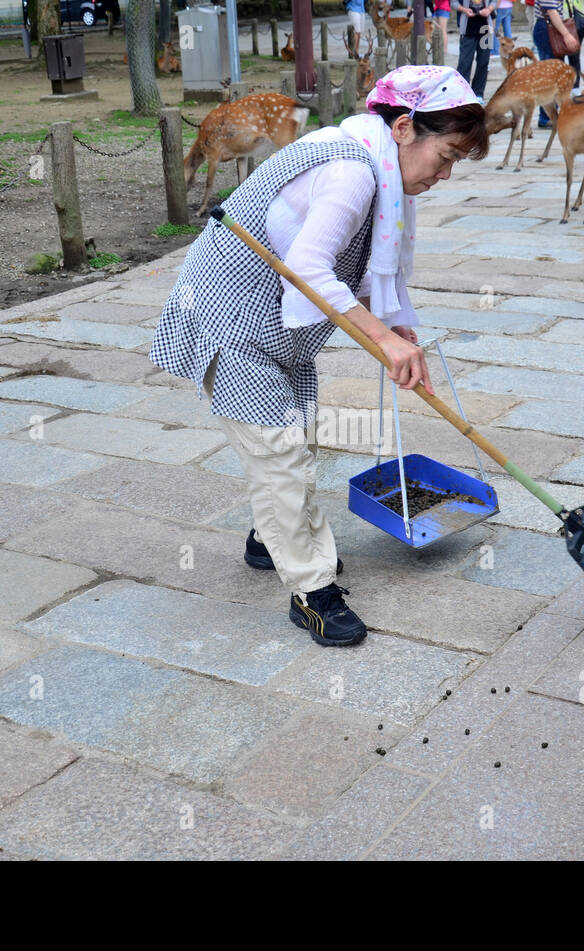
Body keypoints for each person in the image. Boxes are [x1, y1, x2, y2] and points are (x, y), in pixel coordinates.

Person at [151, 66, 489, 648]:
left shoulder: (376, 161)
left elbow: (355, 263)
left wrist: (399, 329)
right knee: (280, 452)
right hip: (230, 322)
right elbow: (310, 269)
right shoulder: (352, 171)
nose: (444, 173)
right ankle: (311, 590)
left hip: (274, 328)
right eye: (447, 155)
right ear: (405, 128)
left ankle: (267, 535)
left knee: (294, 440)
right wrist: (382, 342)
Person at [533, 0, 579, 127]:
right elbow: (552, 12)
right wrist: (566, 34)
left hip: (552, 28)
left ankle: (554, 115)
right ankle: (546, 117)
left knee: (555, 76)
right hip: (547, 29)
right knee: (549, 76)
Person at [455, 0, 494, 98]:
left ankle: (478, 93)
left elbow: (494, 2)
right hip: (468, 30)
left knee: (483, 62)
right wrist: (464, 10)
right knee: (464, 63)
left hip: (485, 29)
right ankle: (463, 93)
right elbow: (453, 3)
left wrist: (489, 9)